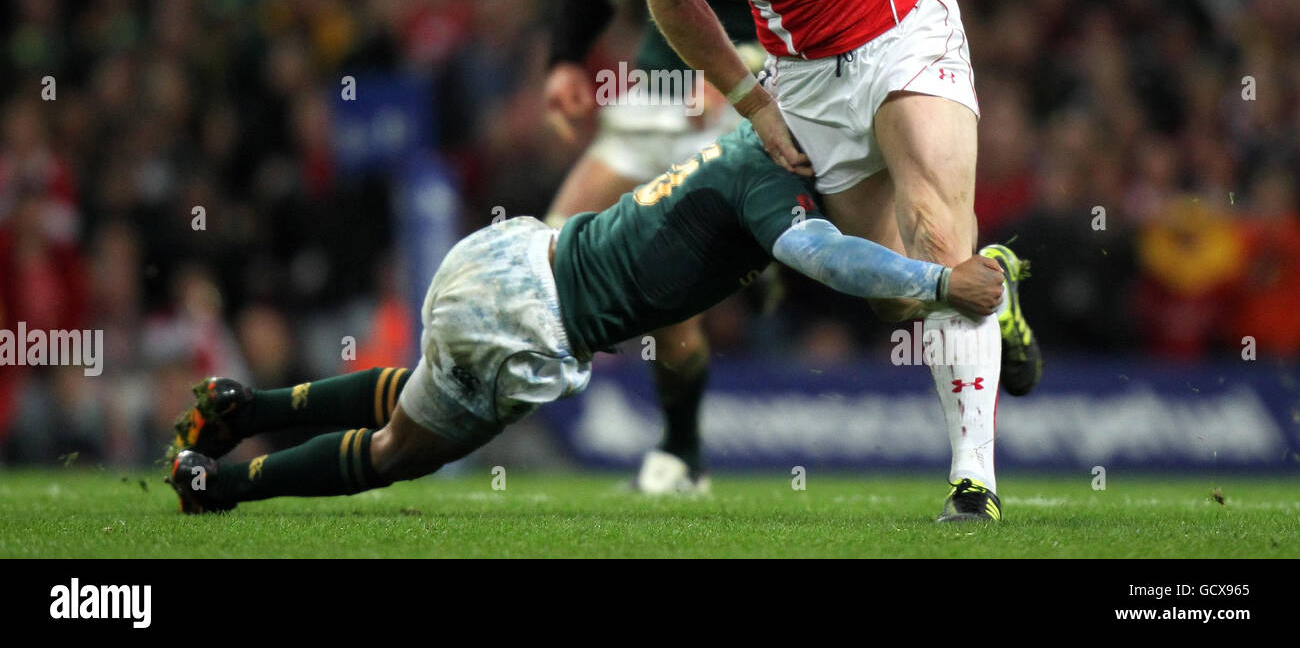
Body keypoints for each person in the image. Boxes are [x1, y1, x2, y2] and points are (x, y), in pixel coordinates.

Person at [636, 0, 1042, 518]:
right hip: (809, 79)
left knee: (937, 226)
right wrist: (753, 102)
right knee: (899, 289)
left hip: (907, 26)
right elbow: (669, 1)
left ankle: (974, 481)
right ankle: (993, 283)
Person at [166, 121, 1005, 520]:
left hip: (511, 259)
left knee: (422, 395)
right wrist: (940, 280)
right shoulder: (778, 185)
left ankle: (248, 409)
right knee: (398, 455)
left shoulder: (756, 148)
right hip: (533, 318)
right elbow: (831, 258)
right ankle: (221, 486)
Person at [544, 0, 766, 494]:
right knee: (550, 254)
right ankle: (454, 434)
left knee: (673, 298)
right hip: (656, 96)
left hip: (753, 101)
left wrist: (735, 69)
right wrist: (564, 58)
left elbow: (826, 2)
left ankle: (680, 452)